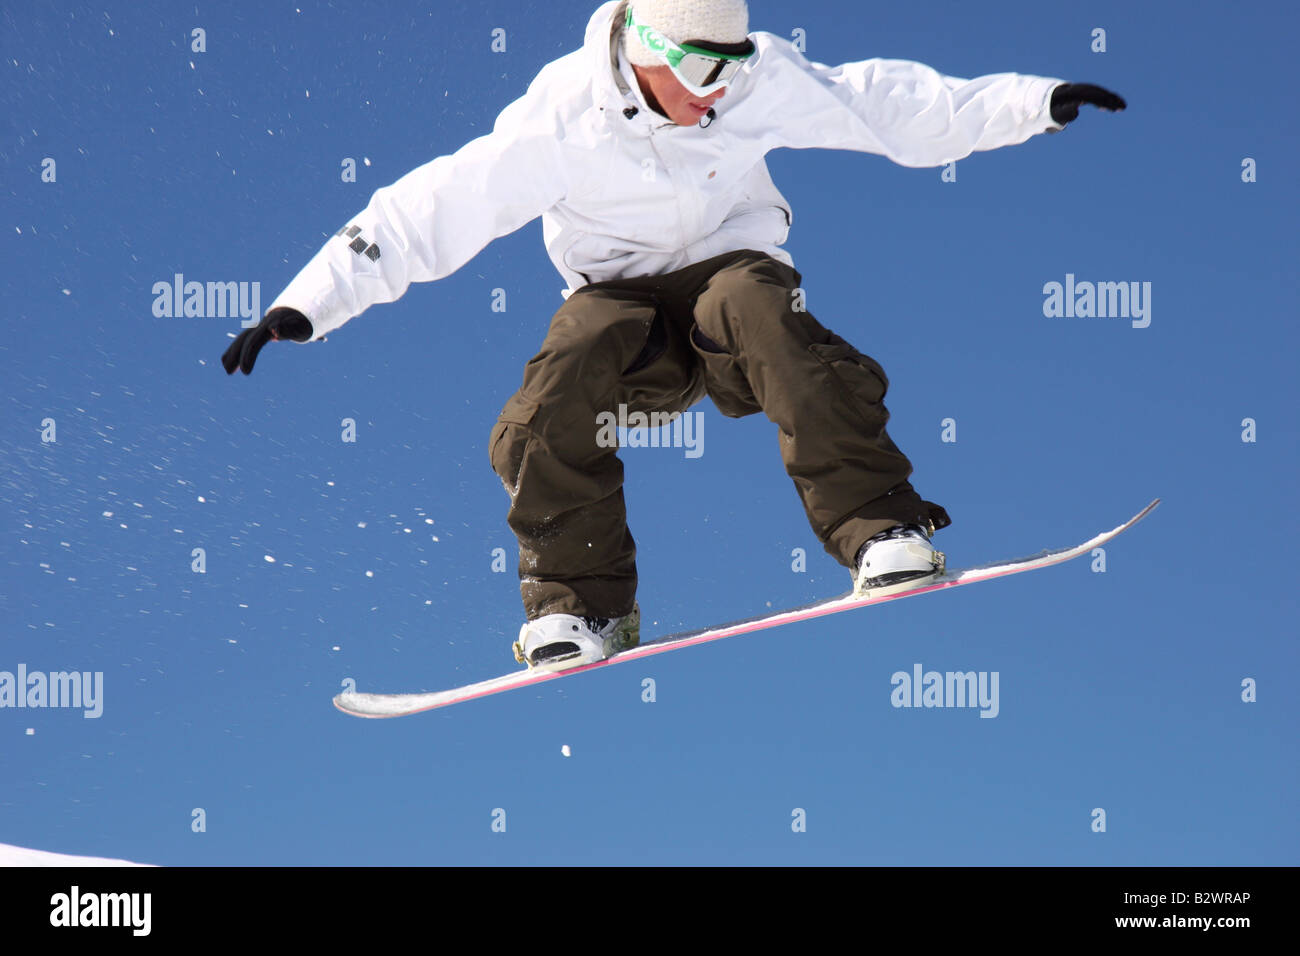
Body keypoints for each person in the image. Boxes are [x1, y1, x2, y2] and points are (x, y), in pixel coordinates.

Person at [223, 0, 1125, 669]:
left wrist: (1030, 102)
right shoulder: (560, 116)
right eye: (701, 77)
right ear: (645, 53)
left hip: (733, 285)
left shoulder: (751, 81)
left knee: (760, 307)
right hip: (624, 314)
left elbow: (883, 105)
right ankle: (583, 606)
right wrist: (304, 305)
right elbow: (429, 209)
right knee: (565, 364)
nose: (717, 97)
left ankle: (881, 528)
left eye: (731, 73)